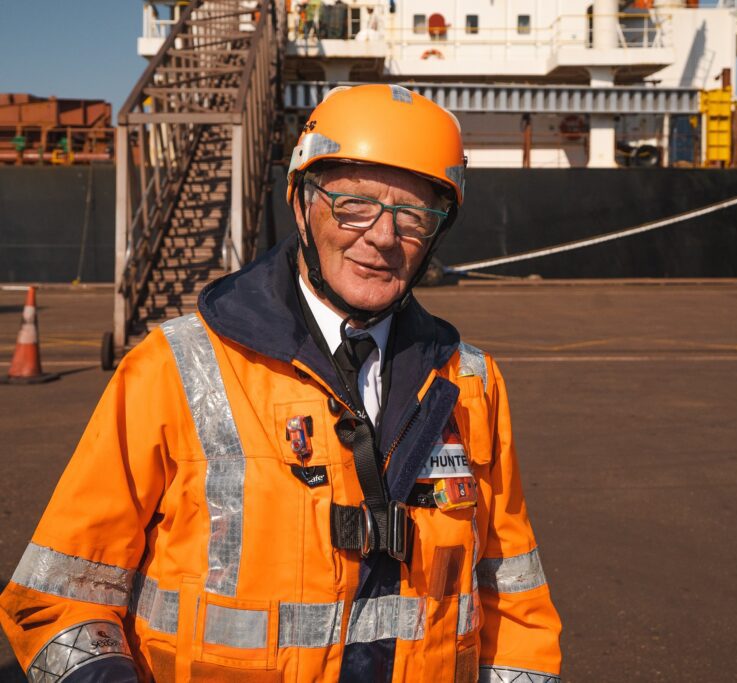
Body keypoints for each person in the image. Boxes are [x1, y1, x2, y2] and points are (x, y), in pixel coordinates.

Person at [0, 84, 562, 682]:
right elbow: (58, 596)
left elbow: (514, 604)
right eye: (353, 204)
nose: (381, 236)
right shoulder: (173, 367)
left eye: (414, 216)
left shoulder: (470, 382)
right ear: (300, 203)